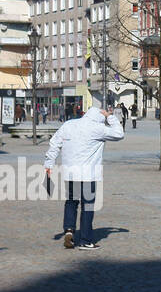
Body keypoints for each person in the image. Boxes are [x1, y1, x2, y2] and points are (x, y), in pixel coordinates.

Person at [44, 89, 125, 250]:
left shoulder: (69, 124)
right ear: (99, 119)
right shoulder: (97, 128)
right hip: (88, 175)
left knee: (71, 202)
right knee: (87, 206)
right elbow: (119, 134)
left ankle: (68, 230)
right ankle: (86, 240)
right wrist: (110, 116)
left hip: (70, 173)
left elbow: (54, 144)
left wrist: (49, 164)